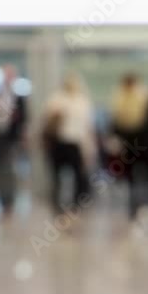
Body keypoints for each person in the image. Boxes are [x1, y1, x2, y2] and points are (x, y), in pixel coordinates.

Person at [110, 73, 148, 225]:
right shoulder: (145, 98)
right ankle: (146, 207)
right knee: (147, 178)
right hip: (145, 147)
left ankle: (135, 209)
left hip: (130, 148)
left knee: (133, 179)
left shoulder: (119, 101)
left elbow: (115, 129)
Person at [42, 73, 95, 213]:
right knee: (57, 176)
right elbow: (47, 122)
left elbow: (87, 127)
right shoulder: (56, 99)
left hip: (75, 143)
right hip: (59, 142)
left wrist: (88, 148)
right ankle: (57, 204)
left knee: (78, 176)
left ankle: (76, 204)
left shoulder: (82, 101)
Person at [0, 65, 29, 216]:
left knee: (9, 169)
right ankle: (1, 200)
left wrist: (22, 137)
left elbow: (24, 119)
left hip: (11, 139)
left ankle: (10, 201)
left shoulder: (19, 98)